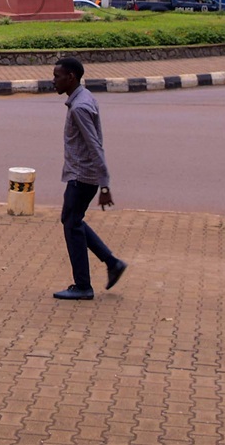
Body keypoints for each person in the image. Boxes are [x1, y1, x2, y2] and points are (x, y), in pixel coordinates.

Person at [51, 56, 128, 301]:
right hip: (83, 174)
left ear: (70, 77)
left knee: (72, 224)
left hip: (82, 177)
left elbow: (95, 146)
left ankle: (83, 285)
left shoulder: (80, 107)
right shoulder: (83, 97)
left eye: (57, 76)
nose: (53, 81)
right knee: (72, 220)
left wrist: (105, 184)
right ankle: (112, 262)